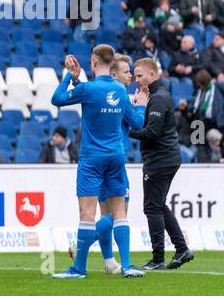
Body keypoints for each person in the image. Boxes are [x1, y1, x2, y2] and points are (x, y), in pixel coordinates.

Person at [50, 45, 145, 278]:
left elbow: (57, 99)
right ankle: (127, 266)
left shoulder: (88, 89)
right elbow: (138, 123)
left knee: (87, 213)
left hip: (92, 158)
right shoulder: (121, 91)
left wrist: (70, 77)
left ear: (93, 62)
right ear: (111, 64)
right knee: (119, 211)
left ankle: (79, 269)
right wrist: (141, 105)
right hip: (116, 156)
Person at [129, 58, 194, 270]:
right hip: (166, 158)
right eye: (135, 76)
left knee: (152, 207)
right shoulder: (159, 95)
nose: (136, 80)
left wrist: (127, 130)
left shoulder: (157, 98)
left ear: (153, 75)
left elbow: (152, 133)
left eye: (140, 75)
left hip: (160, 159)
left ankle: (158, 259)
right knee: (158, 205)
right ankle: (182, 249)